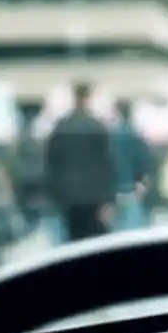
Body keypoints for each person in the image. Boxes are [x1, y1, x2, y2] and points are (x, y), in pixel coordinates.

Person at [45, 82, 117, 242]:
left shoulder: (61, 127)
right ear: (88, 98)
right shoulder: (97, 126)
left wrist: (54, 192)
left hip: (69, 195)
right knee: (95, 243)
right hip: (94, 196)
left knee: (74, 241)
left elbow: (52, 163)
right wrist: (109, 198)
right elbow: (107, 164)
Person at [111, 100, 153, 231]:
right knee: (133, 232)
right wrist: (143, 183)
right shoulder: (136, 135)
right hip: (132, 188)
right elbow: (145, 161)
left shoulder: (110, 135)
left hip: (113, 189)